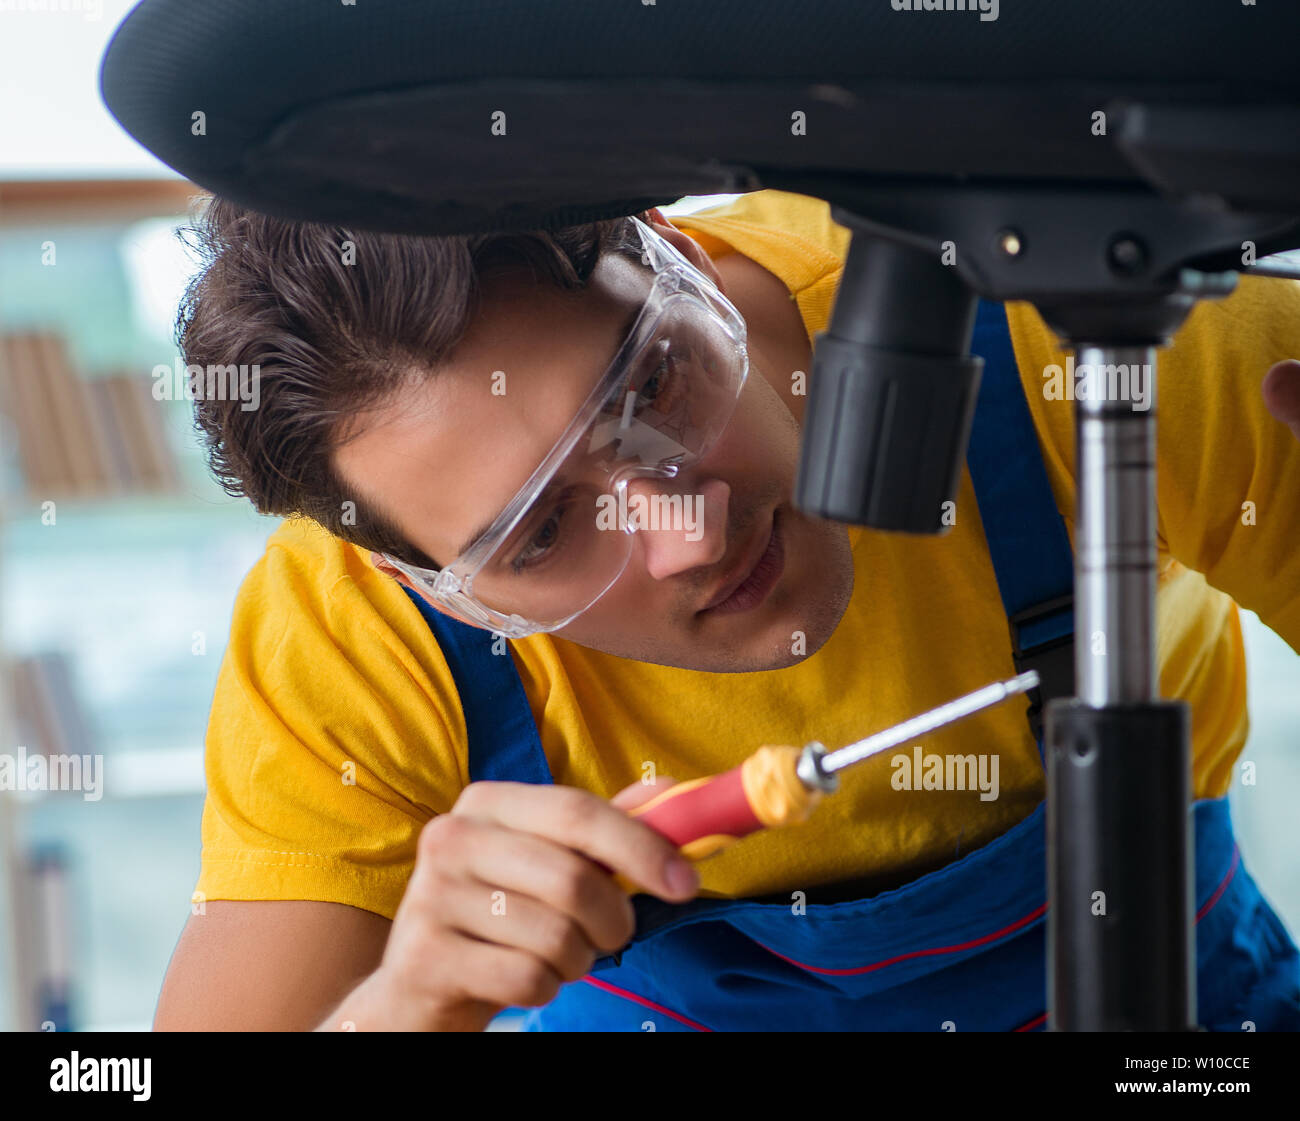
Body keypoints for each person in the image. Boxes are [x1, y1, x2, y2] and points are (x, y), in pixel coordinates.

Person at [153, 189, 1300, 1031]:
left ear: (679, 251)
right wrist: (405, 1006)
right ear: (433, 588)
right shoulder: (352, 633)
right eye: (542, 534)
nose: (687, 531)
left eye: (651, 386)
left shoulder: (1090, 341)